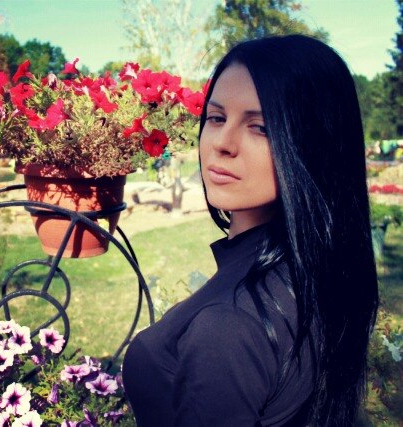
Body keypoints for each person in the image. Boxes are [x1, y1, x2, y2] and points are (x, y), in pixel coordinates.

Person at [122, 35, 379, 426]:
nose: (223, 144)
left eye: (260, 127)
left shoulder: (229, 327)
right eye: (216, 118)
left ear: (315, 146)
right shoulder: (316, 273)